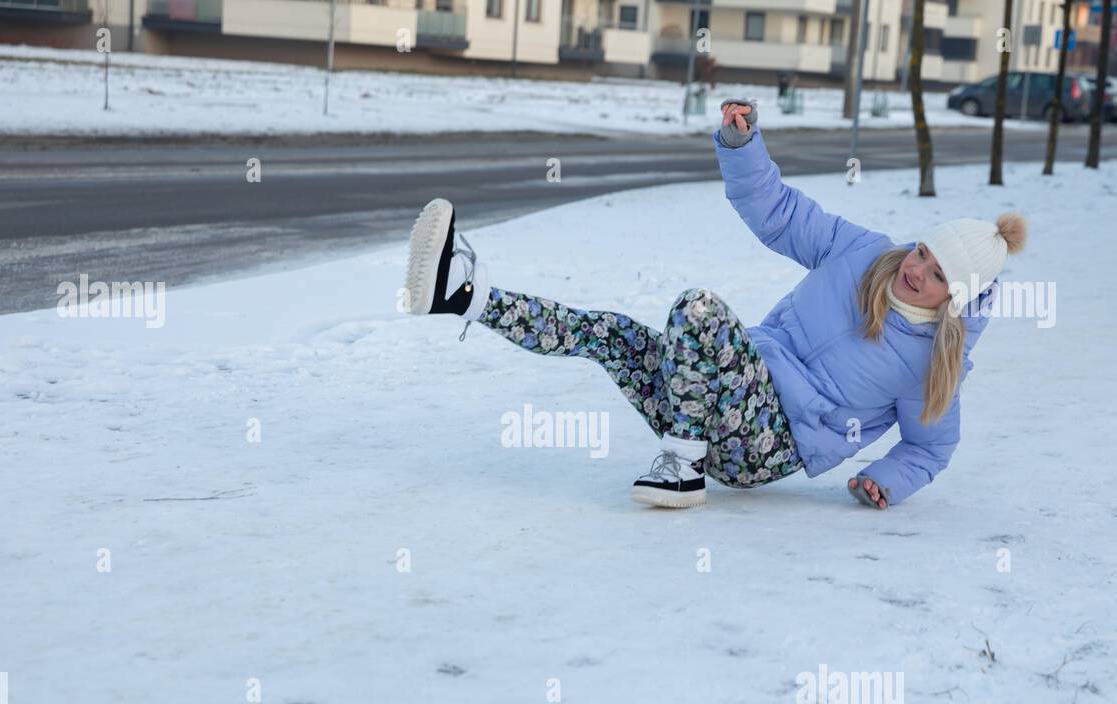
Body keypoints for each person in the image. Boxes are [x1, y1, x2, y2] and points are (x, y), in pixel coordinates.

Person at [402, 98, 1026, 510]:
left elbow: (930, 448)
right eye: (923, 251)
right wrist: (743, 144)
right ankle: (465, 296)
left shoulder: (933, 363)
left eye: (938, 272)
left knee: (699, 310)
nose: (916, 269)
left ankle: (682, 466)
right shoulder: (865, 254)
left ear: (956, 297)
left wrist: (882, 482)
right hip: (721, 394)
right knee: (616, 335)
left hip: (768, 444)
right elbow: (781, 215)